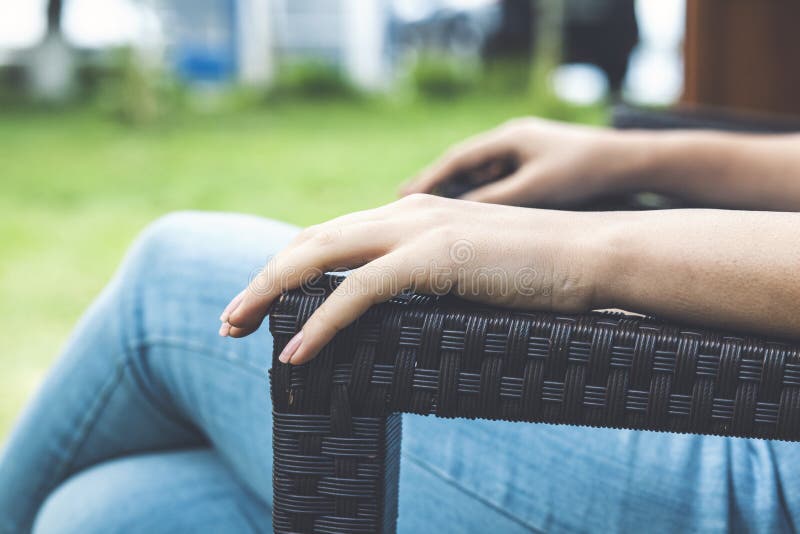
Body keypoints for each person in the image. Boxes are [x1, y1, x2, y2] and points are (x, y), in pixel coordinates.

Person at [1, 118, 799, 533]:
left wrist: (583, 249)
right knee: (101, 515)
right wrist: (638, 158)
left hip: (764, 466)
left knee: (171, 278)